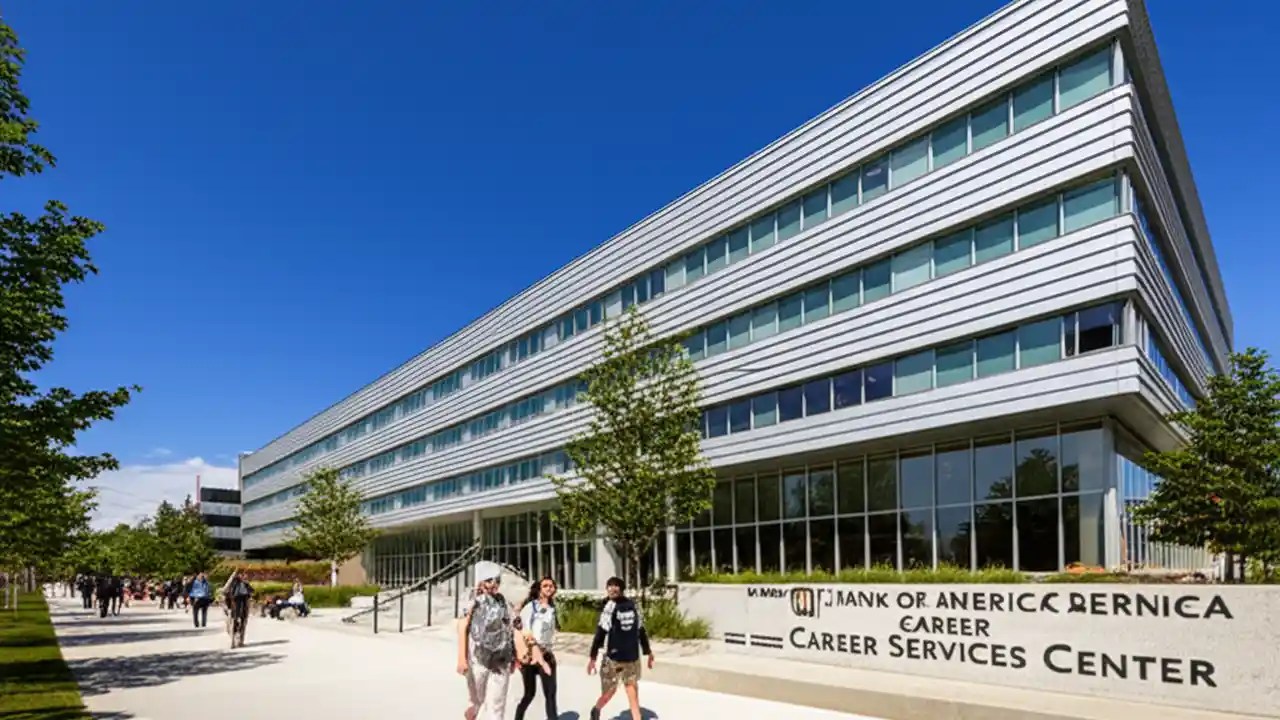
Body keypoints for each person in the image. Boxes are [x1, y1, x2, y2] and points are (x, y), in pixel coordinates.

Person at [586, 577, 654, 720]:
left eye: (615, 585)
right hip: (613, 659)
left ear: (621, 588)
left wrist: (648, 652)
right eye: (609, 586)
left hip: (631, 657)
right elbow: (600, 633)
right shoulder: (609, 607)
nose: (612, 588)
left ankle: (637, 717)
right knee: (609, 692)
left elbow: (640, 630)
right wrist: (592, 658)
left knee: (632, 689)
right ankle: (597, 709)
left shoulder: (633, 606)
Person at [457, 561, 517, 720]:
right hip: (478, 658)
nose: (494, 584)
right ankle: (473, 711)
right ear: (480, 581)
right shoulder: (473, 599)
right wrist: (461, 658)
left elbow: (509, 627)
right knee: (478, 700)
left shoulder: (501, 600)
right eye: (490, 580)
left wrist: (514, 655)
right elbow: (462, 626)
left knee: (497, 705)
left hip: (501, 658)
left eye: (497, 580)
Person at [514, 577, 559, 720]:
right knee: (529, 694)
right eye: (545, 586)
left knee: (550, 694)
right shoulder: (531, 607)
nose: (549, 588)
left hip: (547, 654)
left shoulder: (553, 608)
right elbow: (523, 630)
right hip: (530, 656)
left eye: (551, 586)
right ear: (539, 590)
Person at [222, 568, 253, 648]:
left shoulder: (246, 584)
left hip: (244, 607)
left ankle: (240, 641)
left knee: (243, 624)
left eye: (245, 575)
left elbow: (251, 593)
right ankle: (232, 641)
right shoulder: (233, 584)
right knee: (233, 624)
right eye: (242, 574)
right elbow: (224, 590)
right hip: (234, 607)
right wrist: (232, 576)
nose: (244, 576)